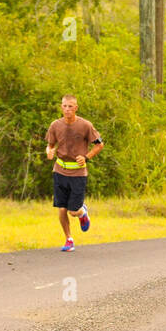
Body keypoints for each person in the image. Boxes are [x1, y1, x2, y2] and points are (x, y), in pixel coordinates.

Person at [46, 94, 103, 252]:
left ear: (76, 108)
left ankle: (82, 212)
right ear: (61, 107)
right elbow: (50, 145)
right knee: (62, 208)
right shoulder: (55, 125)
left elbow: (99, 145)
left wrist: (86, 157)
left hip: (78, 174)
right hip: (59, 171)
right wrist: (49, 152)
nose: (67, 109)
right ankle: (68, 239)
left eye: (70, 106)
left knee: (73, 211)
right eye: (64, 106)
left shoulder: (85, 125)